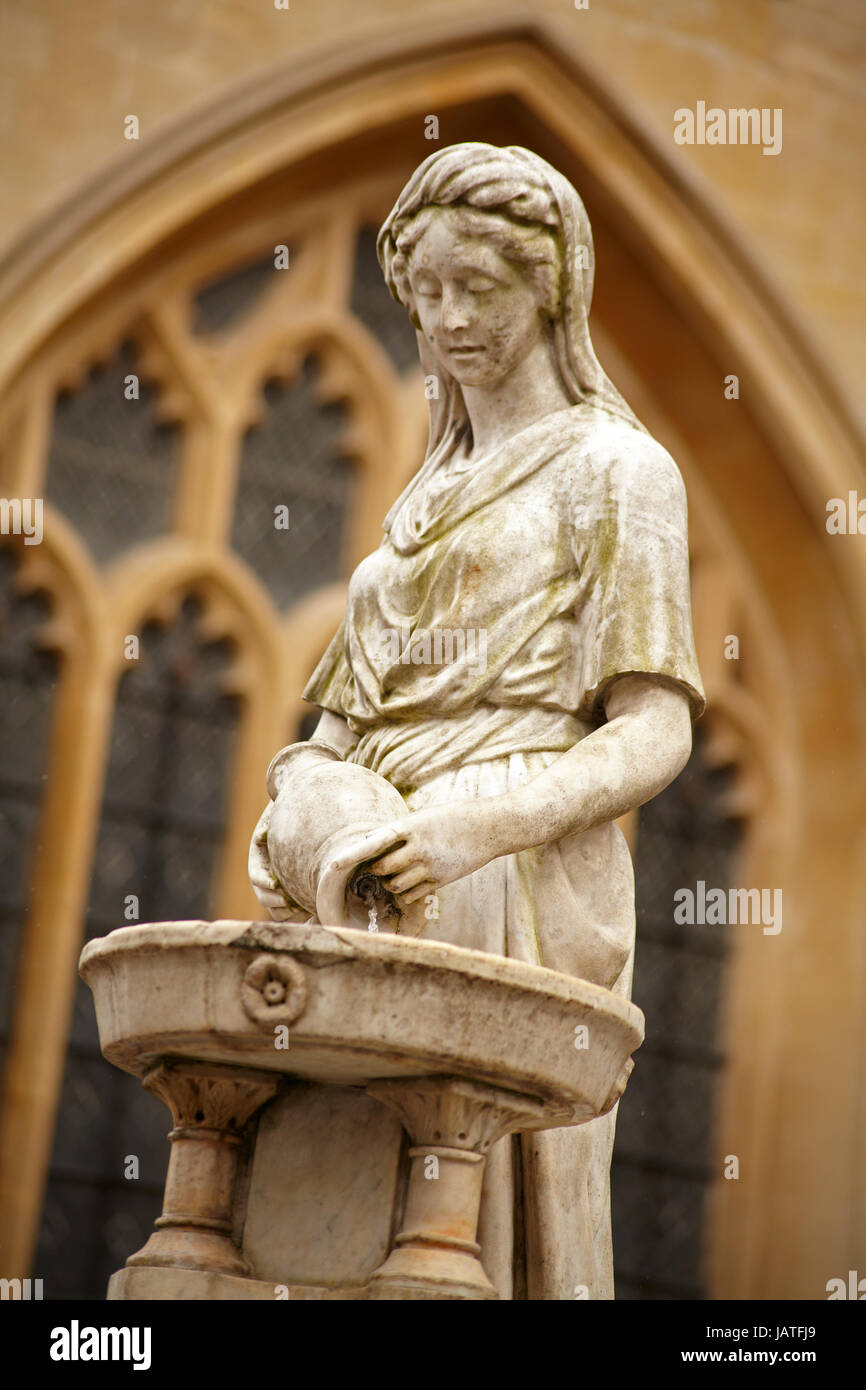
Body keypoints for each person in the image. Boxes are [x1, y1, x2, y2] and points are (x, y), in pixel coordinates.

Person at [251, 143, 705, 1299]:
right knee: (333, 1206)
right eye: (426, 293)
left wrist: (477, 831)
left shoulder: (617, 471)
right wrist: (303, 794)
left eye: (480, 292)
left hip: (508, 874)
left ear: (549, 291)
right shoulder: (425, 494)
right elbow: (341, 720)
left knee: (469, 1225)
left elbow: (652, 730)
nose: (449, 320)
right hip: (363, 859)